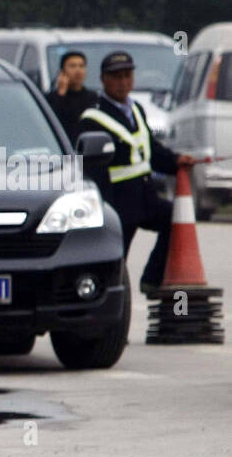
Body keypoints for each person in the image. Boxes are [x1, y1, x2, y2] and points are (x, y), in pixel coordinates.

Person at [77, 51, 195, 296]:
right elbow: (92, 169)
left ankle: (152, 279)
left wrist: (176, 161)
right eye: (116, 77)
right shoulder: (93, 118)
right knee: (116, 264)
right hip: (118, 203)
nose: (123, 82)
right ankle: (110, 325)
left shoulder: (136, 110)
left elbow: (150, 150)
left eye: (127, 76)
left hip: (145, 196)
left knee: (176, 218)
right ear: (103, 80)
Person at [44, 50, 95, 140]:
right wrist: (61, 93)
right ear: (62, 72)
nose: (78, 70)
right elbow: (53, 122)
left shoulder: (93, 98)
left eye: (81, 66)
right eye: (72, 66)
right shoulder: (51, 98)